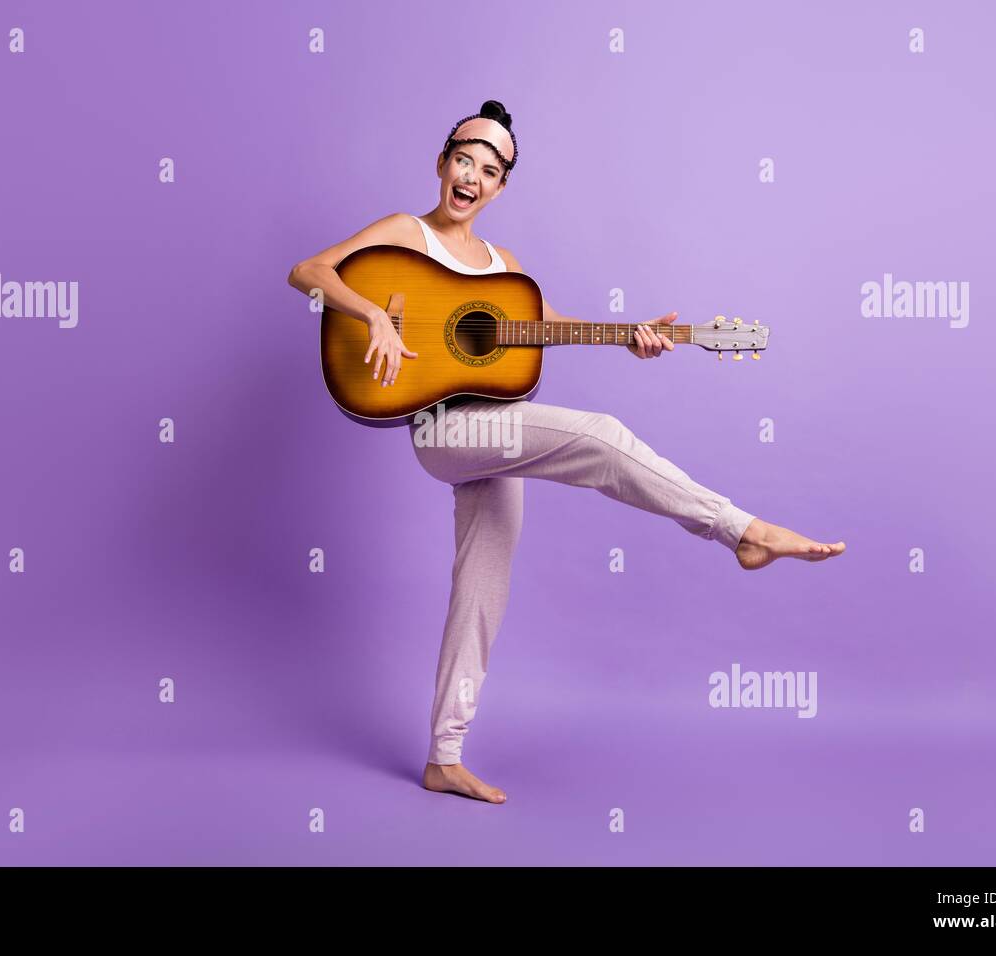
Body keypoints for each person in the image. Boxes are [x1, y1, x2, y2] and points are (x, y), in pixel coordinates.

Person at [287, 100, 845, 805]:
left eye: (490, 170)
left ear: (501, 187)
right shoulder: (406, 235)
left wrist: (636, 335)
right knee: (602, 436)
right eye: (465, 159)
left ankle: (443, 758)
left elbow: (549, 329)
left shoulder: (504, 268)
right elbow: (309, 270)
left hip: (499, 428)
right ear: (442, 162)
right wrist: (371, 314)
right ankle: (742, 530)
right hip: (444, 430)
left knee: (482, 590)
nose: (472, 177)